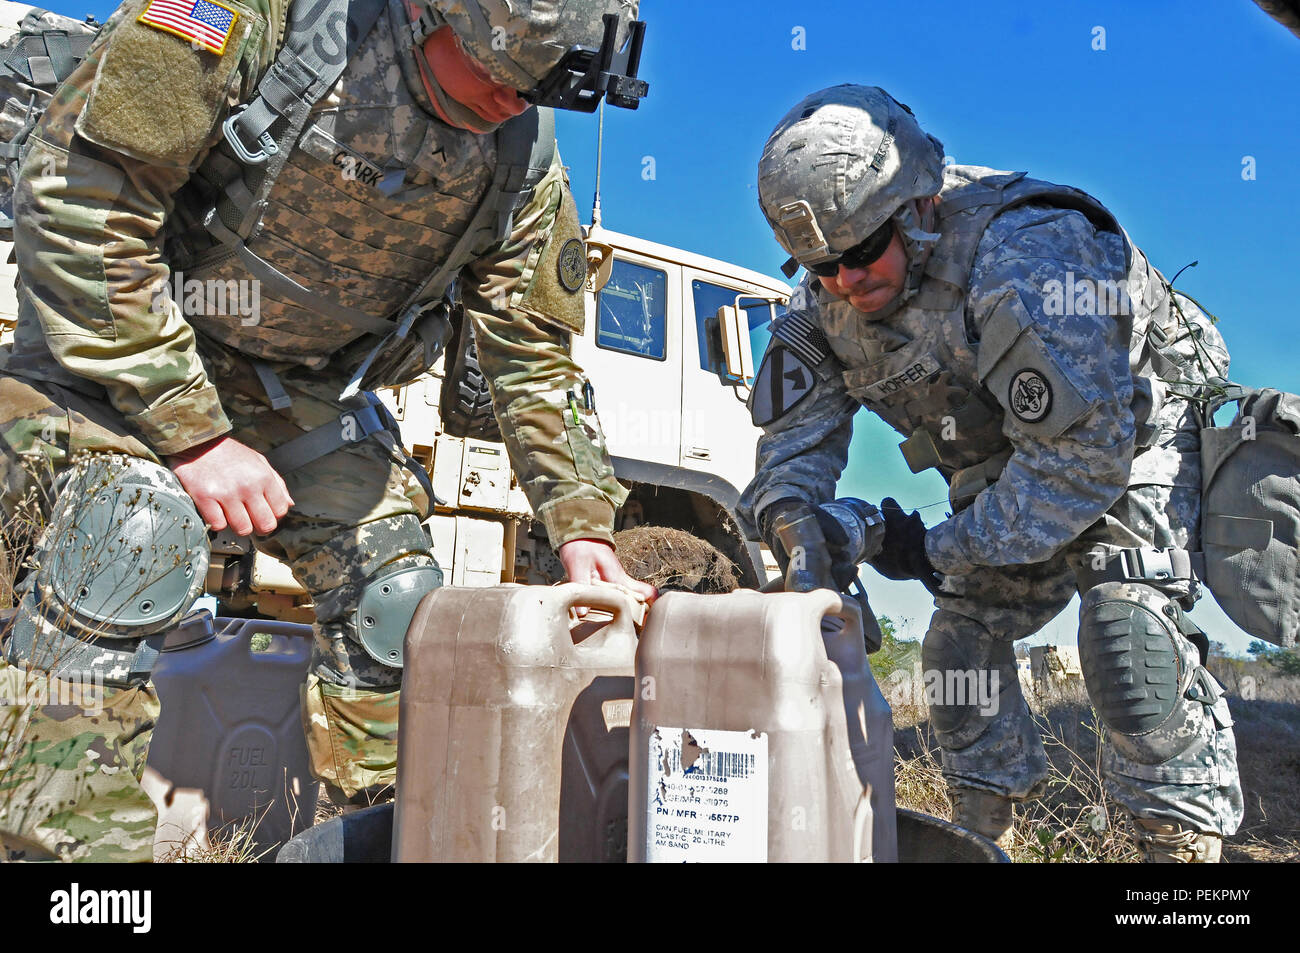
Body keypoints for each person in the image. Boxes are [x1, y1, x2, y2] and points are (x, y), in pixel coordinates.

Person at [0, 0, 654, 861]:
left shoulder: (520, 157)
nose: (511, 102)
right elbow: (81, 203)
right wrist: (193, 434)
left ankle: (373, 835)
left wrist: (579, 521)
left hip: (286, 391)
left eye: (534, 87)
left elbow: (528, 353)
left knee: (402, 598)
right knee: (131, 533)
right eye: (495, 72)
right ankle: (65, 861)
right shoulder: (256, 20)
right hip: (112, 352)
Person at [739, 84, 1243, 862]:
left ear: (922, 208)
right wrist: (797, 524)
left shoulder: (1032, 253)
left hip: (1128, 438)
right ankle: (980, 836)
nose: (846, 282)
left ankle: (1177, 864)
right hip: (1008, 462)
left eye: (863, 253)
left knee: (1125, 632)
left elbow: (1083, 463)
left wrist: (937, 549)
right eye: (821, 264)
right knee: (957, 650)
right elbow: (790, 451)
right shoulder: (822, 303)